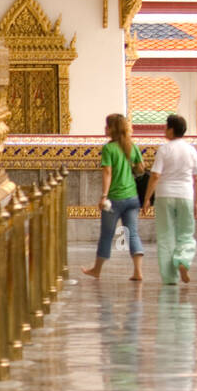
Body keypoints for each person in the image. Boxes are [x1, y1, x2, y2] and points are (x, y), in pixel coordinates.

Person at [140, 114, 197, 284]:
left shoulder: (164, 149)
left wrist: (147, 199)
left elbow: (155, 176)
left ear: (171, 129)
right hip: (185, 195)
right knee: (185, 234)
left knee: (165, 236)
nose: (164, 130)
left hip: (164, 195)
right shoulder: (191, 150)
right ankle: (183, 260)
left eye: (166, 127)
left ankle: (170, 278)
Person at [82, 113, 146, 281]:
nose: (105, 129)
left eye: (107, 126)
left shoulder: (109, 149)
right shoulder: (132, 146)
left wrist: (103, 196)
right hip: (132, 196)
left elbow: (107, 172)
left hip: (114, 199)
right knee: (132, 233)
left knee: (107, 234)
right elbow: (141, 168)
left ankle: (97, 269)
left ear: (112, 129)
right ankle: (138, 271)